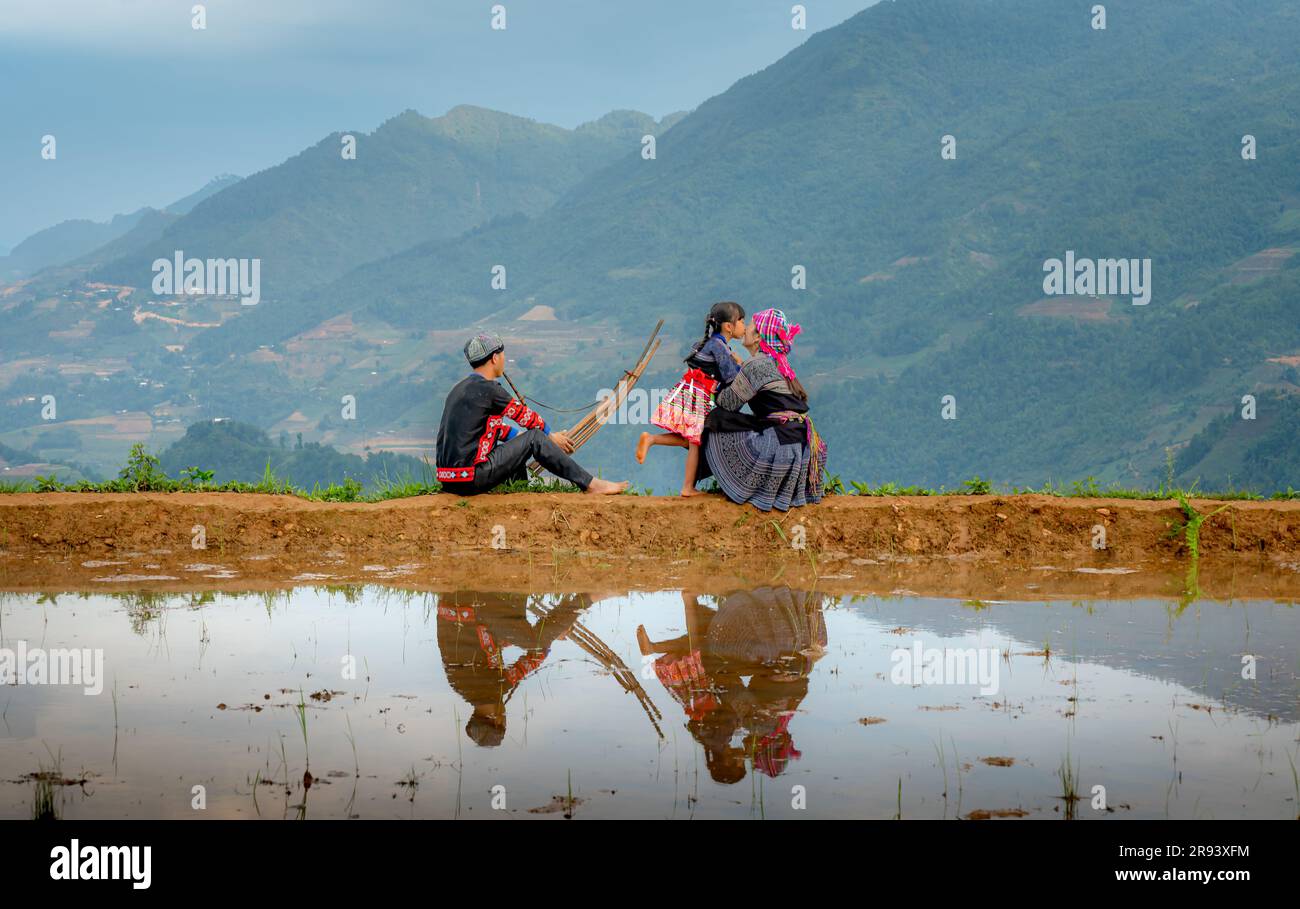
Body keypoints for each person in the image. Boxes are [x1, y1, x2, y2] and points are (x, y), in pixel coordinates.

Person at [435, 332, 628, 495]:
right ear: (494, 358)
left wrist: (521, 440)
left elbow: (489, 428)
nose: (503, 360)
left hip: (450, 481)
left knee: (527, 440)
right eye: (502, 355)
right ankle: (591, 484)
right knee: (535, 436)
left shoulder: (458, 390)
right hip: (471, 479)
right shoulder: (489, 389)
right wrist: (551, 437)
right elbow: (525, 416)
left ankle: (520, 491)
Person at [695, 308, 827, 511]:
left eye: (750, 326)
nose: (745, 328)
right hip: (800, 442)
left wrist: (717, 384)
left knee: (717, 418)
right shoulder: (780, 364)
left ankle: (738, 484)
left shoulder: (756, 364)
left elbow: (728, 403)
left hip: (779, 443)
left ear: (758, 337)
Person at [636, 301, 746, 496]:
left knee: (691, 440)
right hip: (699, 395)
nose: (744, 326)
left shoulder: (709, 343)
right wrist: (740, 364)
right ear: (729, 326)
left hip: (691, 391)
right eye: (742, 321)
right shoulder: (719, 347)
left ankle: (652, 439)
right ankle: (688, 487)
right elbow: (731, 377)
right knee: (695, 441)